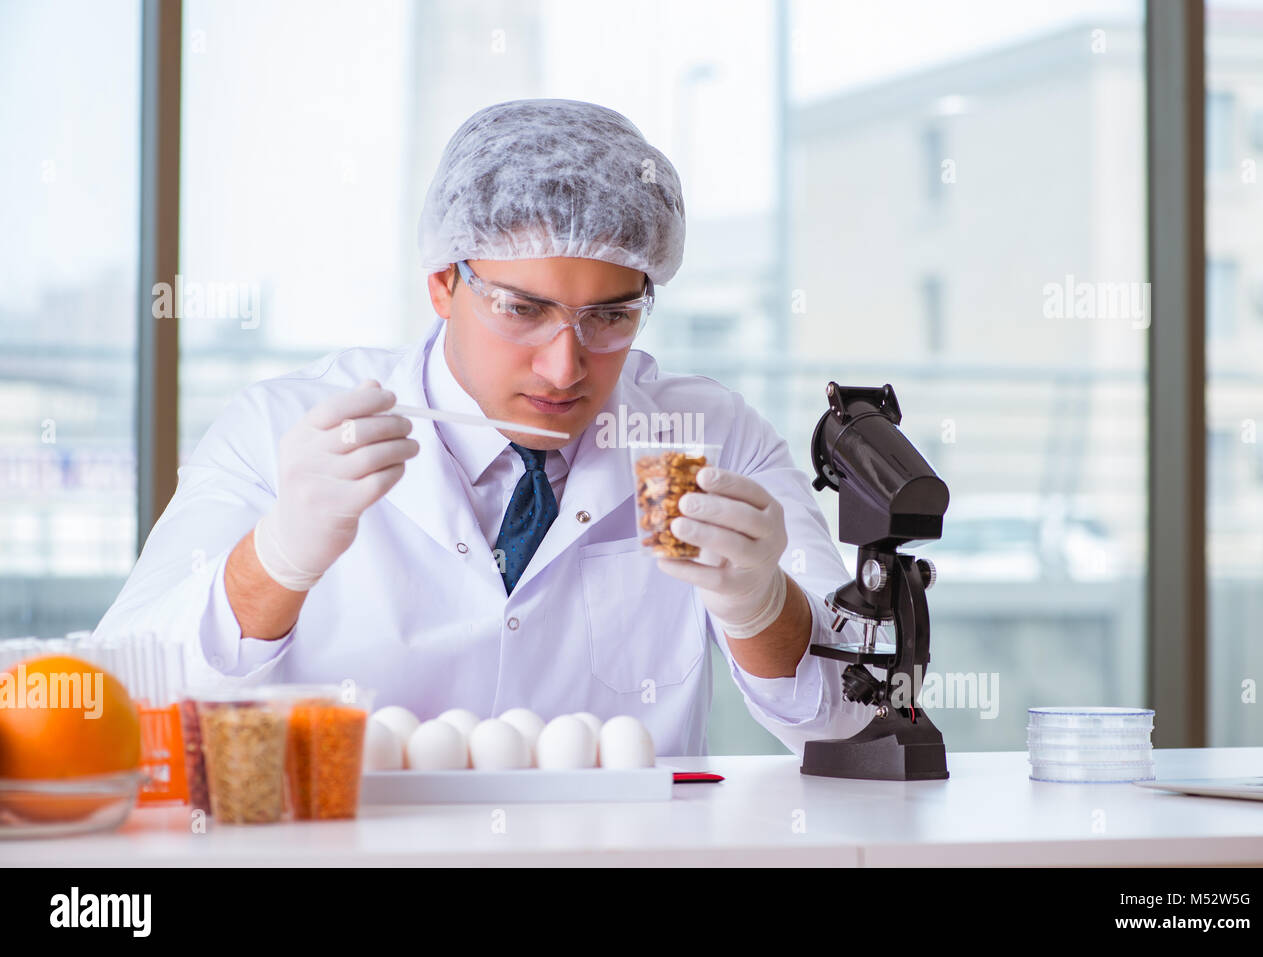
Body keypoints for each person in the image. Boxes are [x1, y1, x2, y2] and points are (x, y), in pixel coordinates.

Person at [94, 98, 870, 756]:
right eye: (523, 309)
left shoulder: (707, 435)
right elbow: (120, 698)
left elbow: (851, 722)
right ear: (442, 281)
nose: (565, 366)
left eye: (610, 315)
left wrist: (762, 606)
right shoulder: (284, 429)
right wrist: (273, 561)